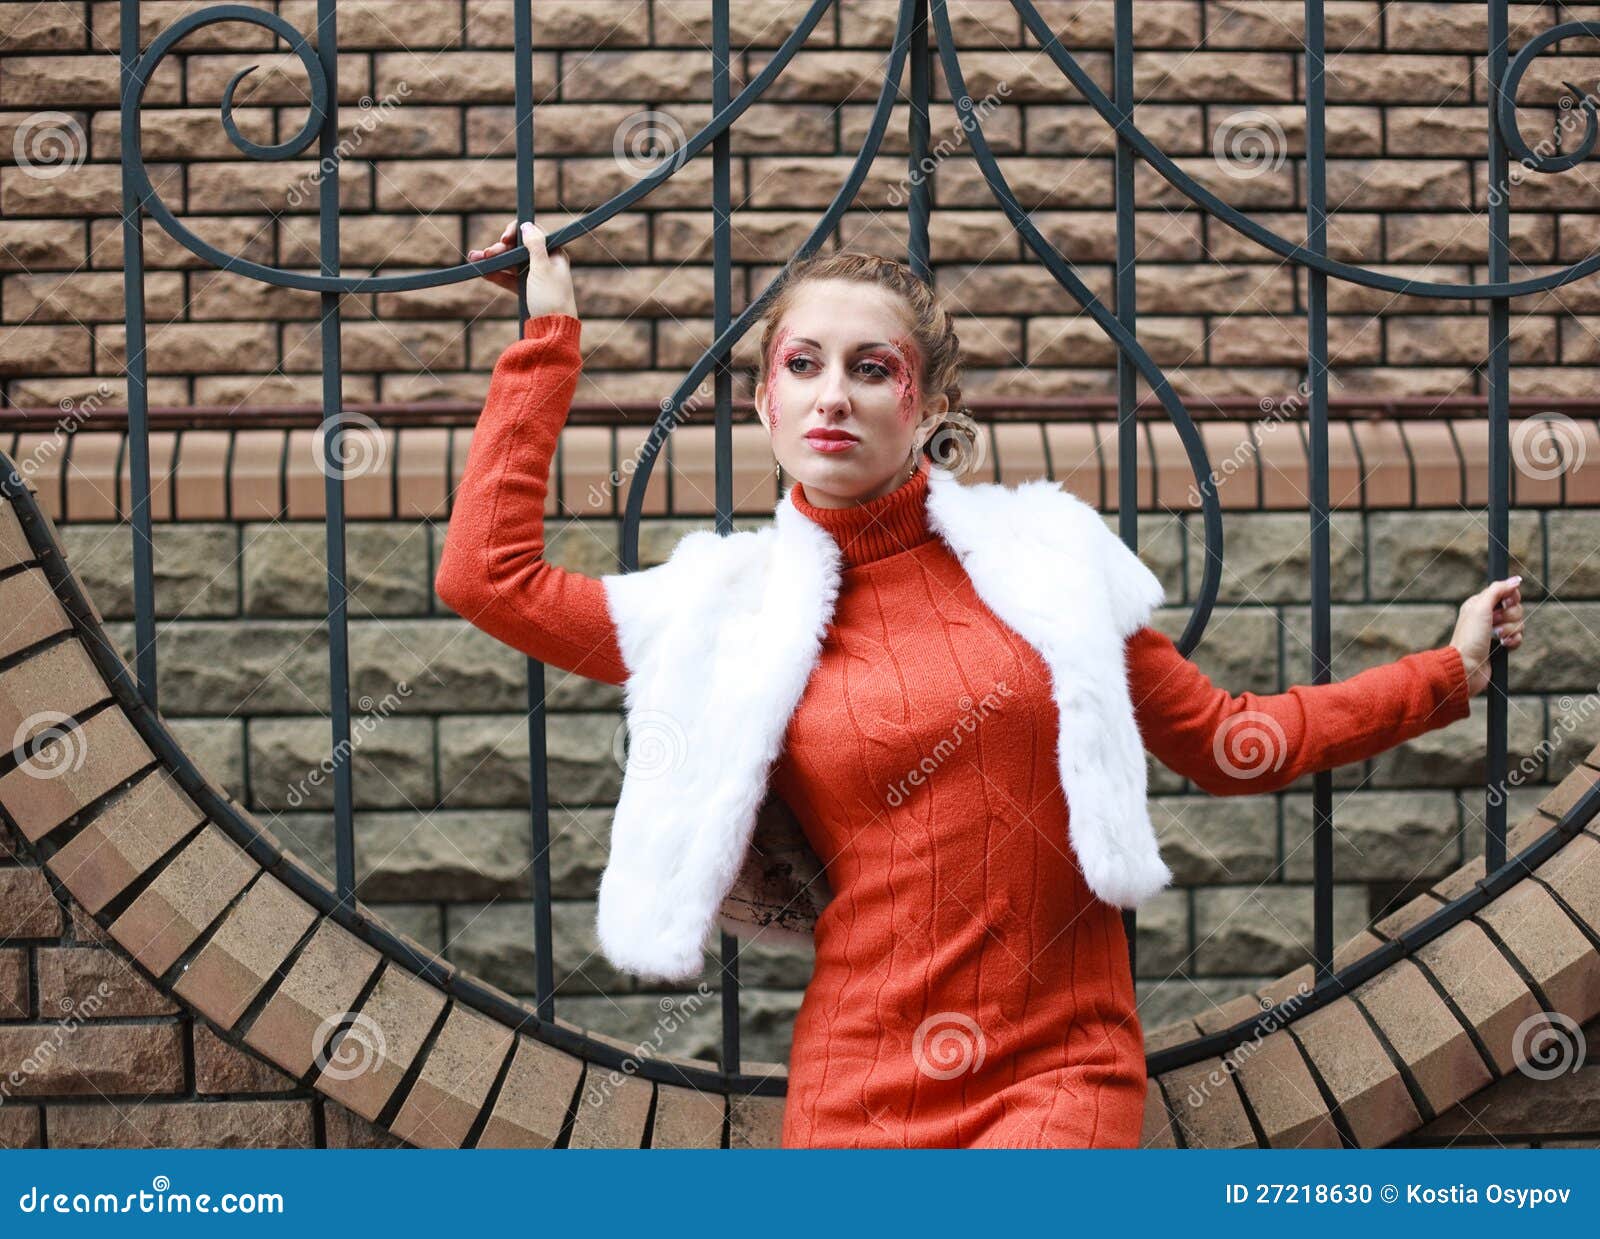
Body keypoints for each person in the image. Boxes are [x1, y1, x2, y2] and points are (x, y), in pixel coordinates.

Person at [436, 219, 1528, 1150]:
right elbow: (487, 577)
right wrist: (547, 339)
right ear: (762, 402)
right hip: (852, 1083)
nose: (834, 396)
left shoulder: (1043, 563)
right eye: (802, 365)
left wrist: (1448, 674)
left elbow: (1228, 740)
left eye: (872, 369)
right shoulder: (724, 609)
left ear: (925, 405)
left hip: (1057, 1071)